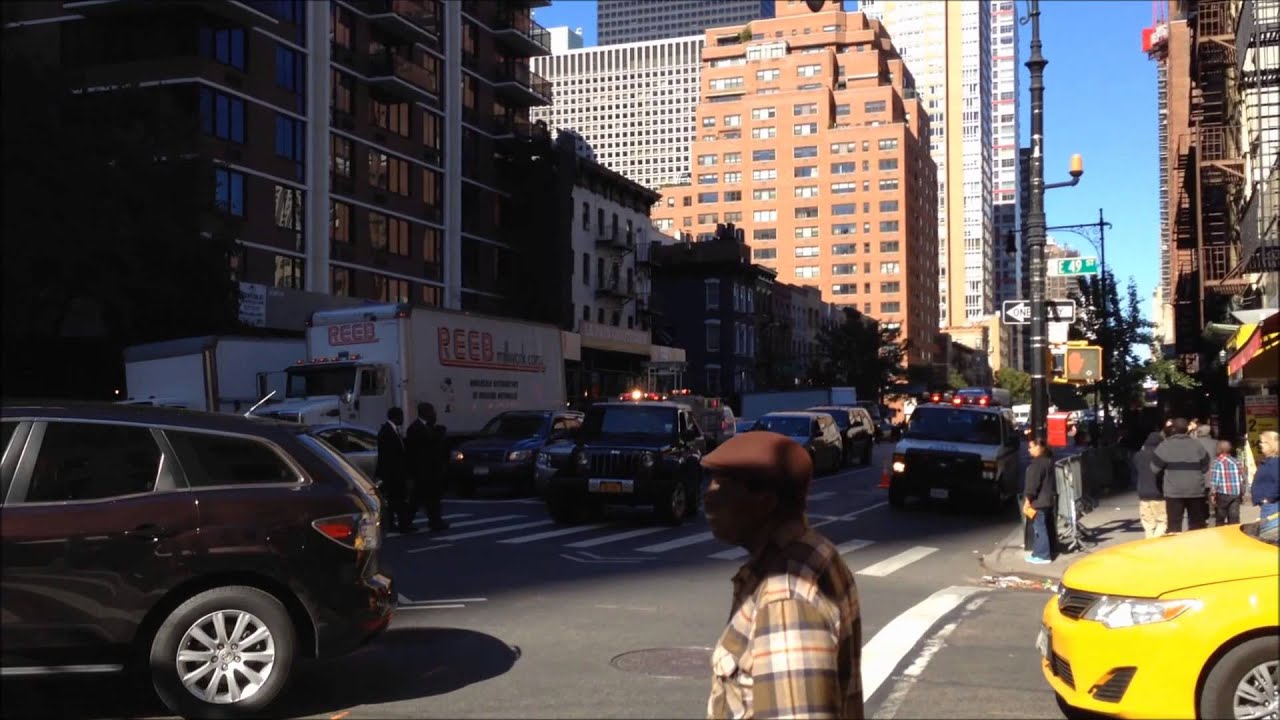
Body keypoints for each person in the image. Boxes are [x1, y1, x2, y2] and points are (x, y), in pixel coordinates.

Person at [701, 431, 863, 720]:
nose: (707, 497)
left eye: (722, 486)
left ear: (764, 502)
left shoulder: (787, 596)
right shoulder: (812, 552)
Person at [1152, 417, 1212, 532]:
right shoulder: (1197, 445)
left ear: (1173, 429)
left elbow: (1154, 468)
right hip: (1196, 490)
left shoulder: (1164, 446)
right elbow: (1205, 467)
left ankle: (1176, 549)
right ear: (1186, 429)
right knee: (1197, 525)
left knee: (1174, 525)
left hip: (1173, 492)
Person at [406, 402, 450, 532]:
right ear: (425, 413)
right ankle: (408, 522)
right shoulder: (415, 428)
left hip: (431, 470)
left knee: (432, 497)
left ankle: (435, 521)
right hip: (422, 470)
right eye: (432, 411)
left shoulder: (429, 427)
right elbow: (418, 450)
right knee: (418, 498)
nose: (434, 414)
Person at [375, 406, 413, 533]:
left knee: (394, 500)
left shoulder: (392, 430)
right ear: (396, 417)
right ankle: (401, 525)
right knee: (397, 499)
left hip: (394, 472)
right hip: (393, 473)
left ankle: (395, 524)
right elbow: (388, 455)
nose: (402, 419)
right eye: (401, 416)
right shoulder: (387, 432)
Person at [1023, 437, 1056, 564]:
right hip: (1047, 499)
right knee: (1043, 527)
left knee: (1039, 528)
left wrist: (1027, 501)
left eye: (1031, 447)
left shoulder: (1037, 464)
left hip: (1039, 501)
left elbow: (1032, 485)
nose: (1029, 449)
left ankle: (1043, 555)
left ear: (1038, 447)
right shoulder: (1048, 461)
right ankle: (1039, 552)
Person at [1133, 430, 1167, 538]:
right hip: (1158, 491)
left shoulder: (1138, 455)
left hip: (1143, 492)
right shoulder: (1160, 455)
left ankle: (1149, 541)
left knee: (1148, 523)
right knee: (1161, 521)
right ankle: (1156, 542)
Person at [1210, 440, 1245, 526]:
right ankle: (1234, 535)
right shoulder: (1236, 461)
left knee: (1220, 518)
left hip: (1223, 493)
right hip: (1235, 493)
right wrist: (1242, 492)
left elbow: (1215, 481)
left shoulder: (1217, 462)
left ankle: (1221, 534)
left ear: (1219, 450)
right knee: (1234, 517)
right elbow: (1242, 478)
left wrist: (1213, 494)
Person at [1252, 430, 1279, 535]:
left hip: (1272, 506)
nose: (1260, 445)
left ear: (1271, 444)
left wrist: (1268, 499)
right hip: (1267, 505)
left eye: (1262, 442)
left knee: (1268, 535)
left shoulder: (1275, 462)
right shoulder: (1268, 461)